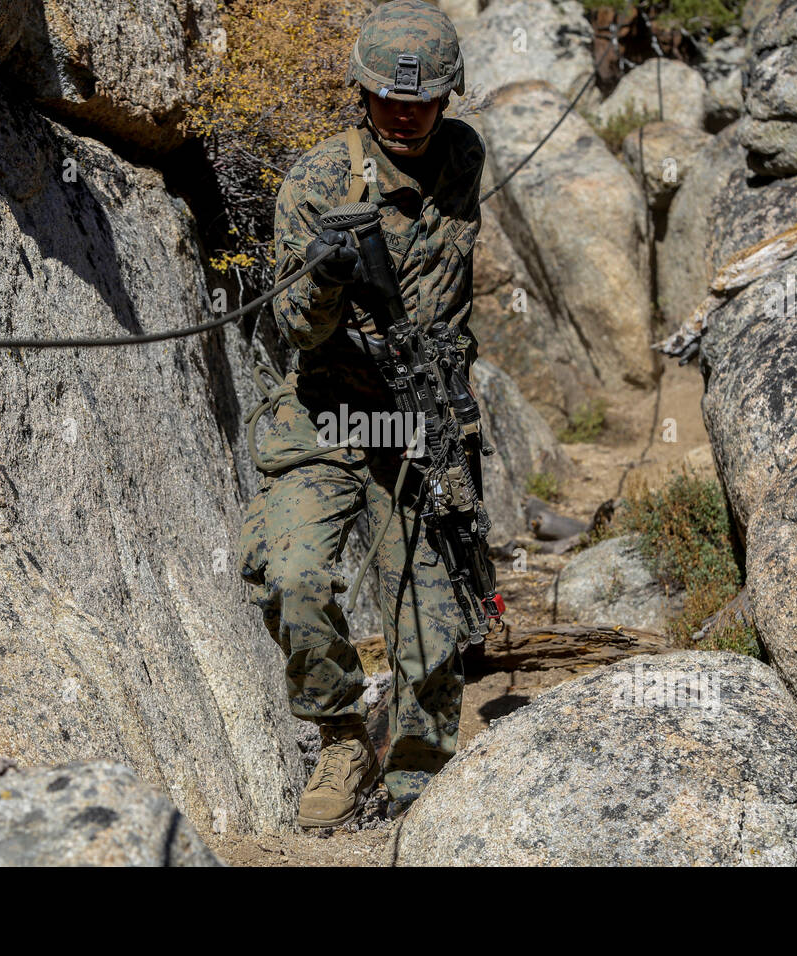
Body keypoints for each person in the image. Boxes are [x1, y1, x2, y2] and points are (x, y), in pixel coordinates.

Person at [240, 0, 486, 827]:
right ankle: (342, 735)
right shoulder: (315, 184)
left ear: (450, 99)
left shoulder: (463, 157)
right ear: (360, 94)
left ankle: (420, 778)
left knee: (432, 616)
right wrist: (328, 273)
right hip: (328, 411)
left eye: (422, 100)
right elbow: (295, 327)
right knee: (293, 576)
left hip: (420, 418)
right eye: (388, 99)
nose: (405, 114)